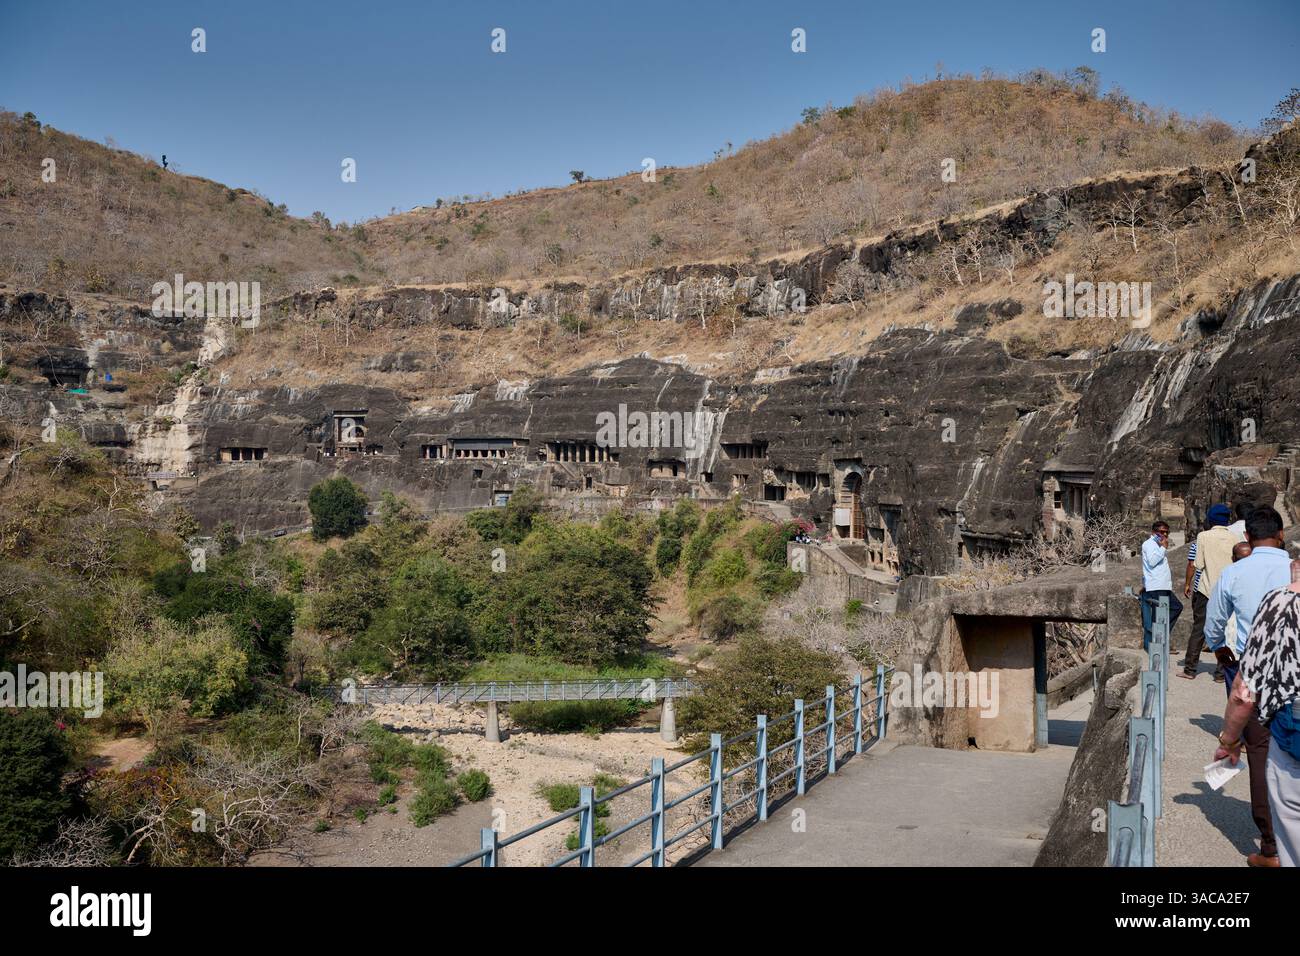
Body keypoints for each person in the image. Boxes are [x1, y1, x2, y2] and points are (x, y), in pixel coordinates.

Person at [1205, 505, 1291, 866]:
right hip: (1295, 676)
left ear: (1248, 539)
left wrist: (1222, 651)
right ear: (1282, 535)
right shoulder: (1293, 570)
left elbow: (1214, 623)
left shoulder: (1235, 573)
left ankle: (1270, 845)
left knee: (1259, 752)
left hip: (1252, 674)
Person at [1215, 557, 1300, 866]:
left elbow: (1244, 693)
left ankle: (1273, 851)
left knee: (1293, 834)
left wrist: (1229, 741)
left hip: (1294, 740)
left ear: (1295, 566)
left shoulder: (1280, 603)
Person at [1181, 504, 1241, 680]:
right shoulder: (1234, 537)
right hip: (1228, 591)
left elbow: (1198, 564)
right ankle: (1221, 673)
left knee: (1199, 629)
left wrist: (1188, 583)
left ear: (1210, 519)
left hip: (1206, 589)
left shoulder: (1203, 536)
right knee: (1226, 631)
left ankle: (1190, 669)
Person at [1140, 520, 1183, 650]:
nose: (1164, 535)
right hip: (1157, 586)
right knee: (1158, 615)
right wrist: (1163, 547)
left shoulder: (1157, 544)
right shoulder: (1149, 544)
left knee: (1176, 607)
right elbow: (1152, 562)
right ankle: (1156, 643)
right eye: (1161, 532)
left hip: (1162, 585)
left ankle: (1161, 638)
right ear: (1154, 532)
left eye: (1166, 532)